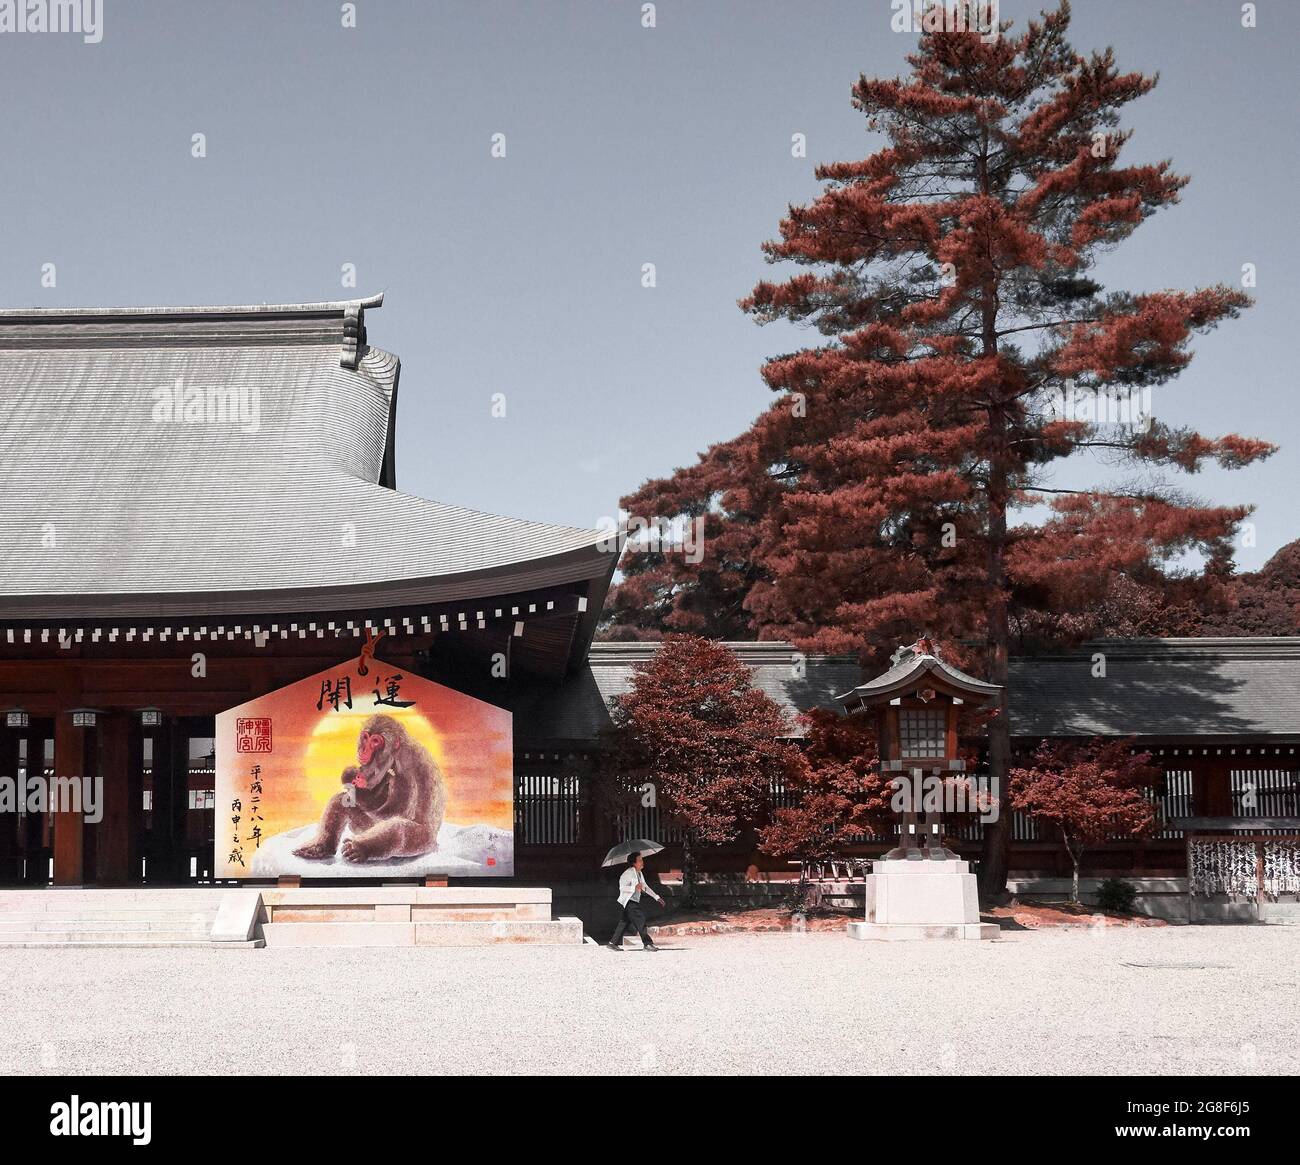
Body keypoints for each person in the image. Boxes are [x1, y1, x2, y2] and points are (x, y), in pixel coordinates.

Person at [608, 852, 664, 951]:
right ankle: (647, 944)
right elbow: (622, 887)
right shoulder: (628, 873)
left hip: (634, 901)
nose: (642, 862)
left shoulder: (639, 873)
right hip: (629, 901)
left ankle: (613, 943)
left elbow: (645, 887)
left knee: (624, 922)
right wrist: (633, 887)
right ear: (634, 863)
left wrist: (656, 897)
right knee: (640, 920)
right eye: (640, 860)